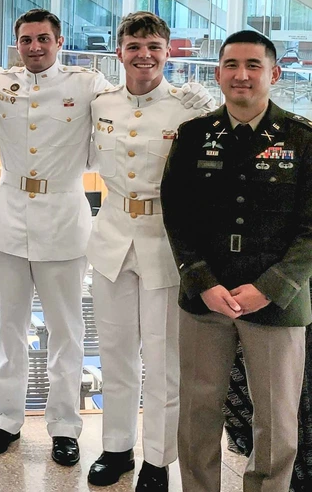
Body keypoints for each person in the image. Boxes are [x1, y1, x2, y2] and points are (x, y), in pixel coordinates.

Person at [0, 8, 212, 466]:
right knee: (9, 329)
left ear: (60, 41)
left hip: (72, 221)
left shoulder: (90, 88)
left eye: (44, 38)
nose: (35, 47)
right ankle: (4, 418)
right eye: (26, 39)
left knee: (69, 332)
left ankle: (67, 427)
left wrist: (199, 100)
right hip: (13, 220)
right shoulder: (2, 86)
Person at [161, 30, 312, 492]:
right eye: (231, 65)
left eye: (252, 65)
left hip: (277, 299)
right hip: (207, 296)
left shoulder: (301, 139)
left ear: (274, 74)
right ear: (218, 73)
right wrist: (201, 280)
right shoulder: (193, 136)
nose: (241, 75)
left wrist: (270, 285)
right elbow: (177, 214)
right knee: (197, 412)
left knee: (276, 419)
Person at [86, 12, 214, 490]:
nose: (144, 55)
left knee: (163, 361)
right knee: (116, 354)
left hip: (165, 238)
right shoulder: (101, 104)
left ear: (167, 52)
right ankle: (116, 449)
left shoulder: (189, 107)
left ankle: (158, 460)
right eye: (135, 46)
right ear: (119, 52)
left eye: (154, 46)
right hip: (112, 236)